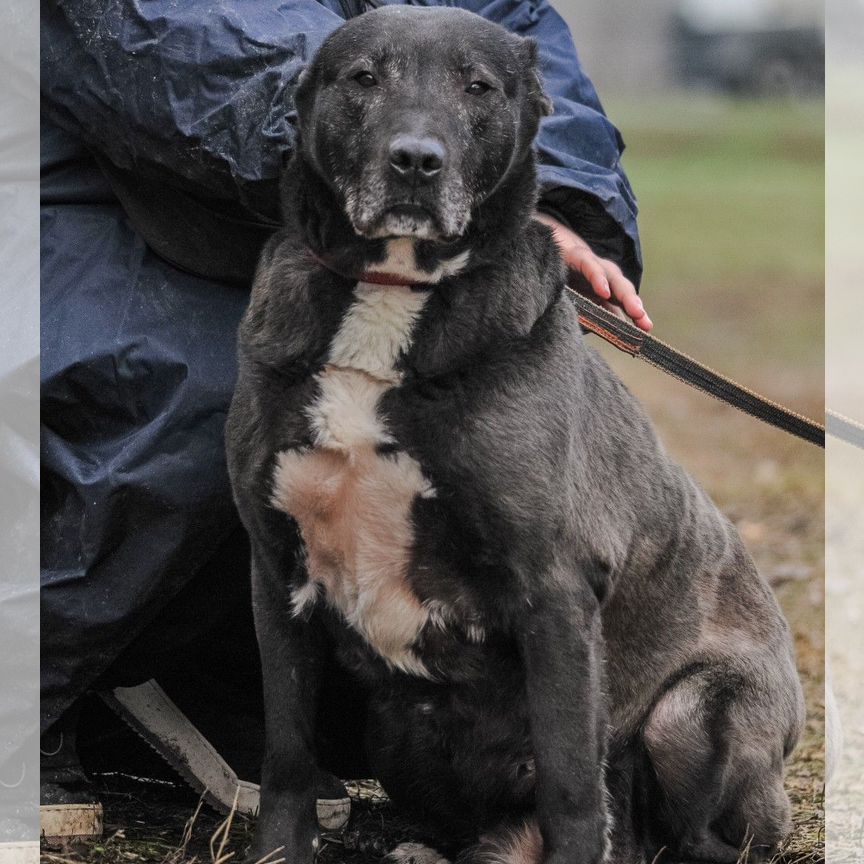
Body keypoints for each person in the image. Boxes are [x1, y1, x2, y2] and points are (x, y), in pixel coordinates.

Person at [40, 0, 646, 840]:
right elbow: (174, 35)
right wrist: (394, 123)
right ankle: (42, 685)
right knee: (202, 390)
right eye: (362, 78)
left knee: (445, 427)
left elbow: (501, 31)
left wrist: (555, 194)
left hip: (295, 224)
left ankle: (199, 675)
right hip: (86, 204)